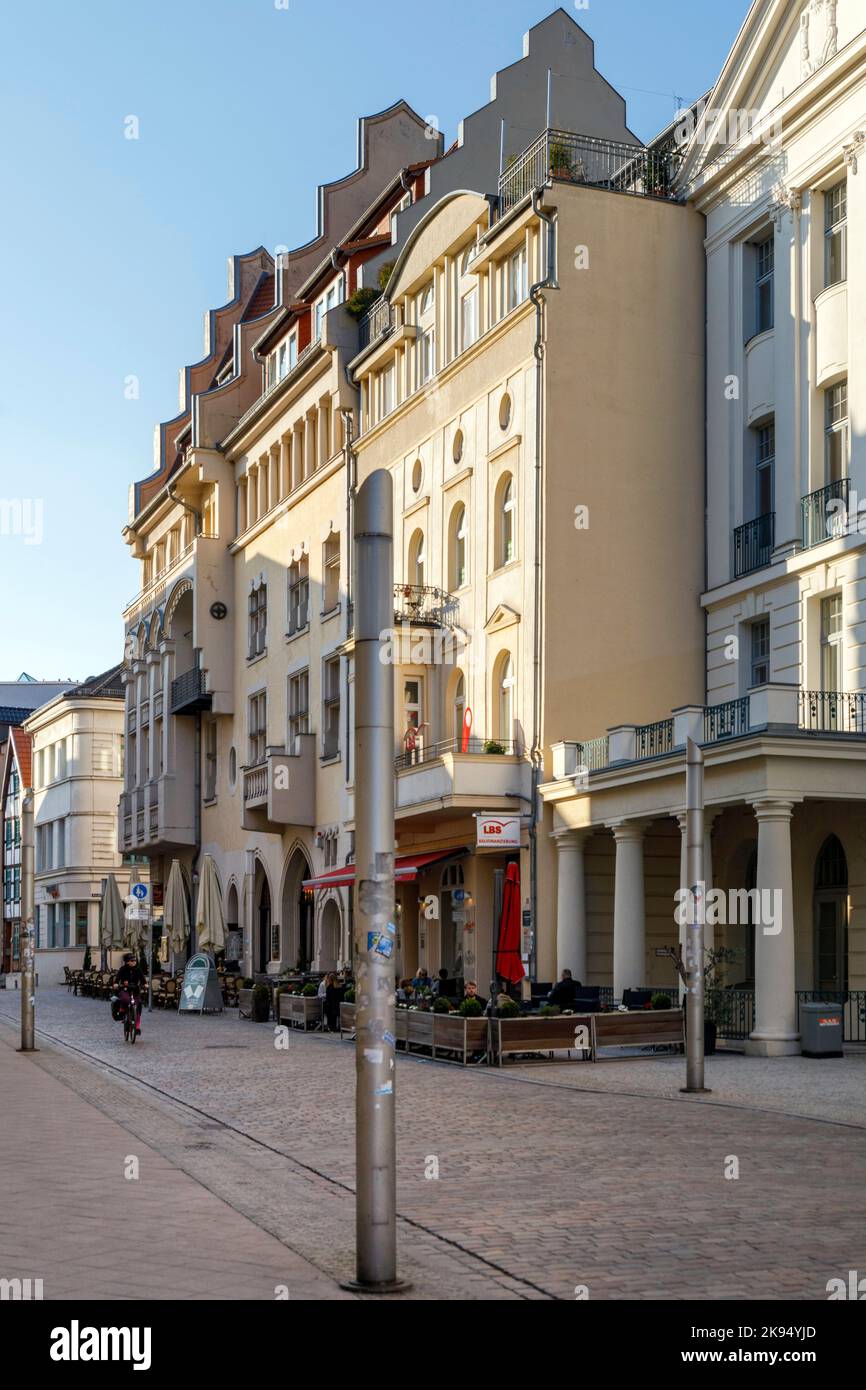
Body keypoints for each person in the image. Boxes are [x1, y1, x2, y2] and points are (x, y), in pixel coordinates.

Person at [115, 951, 145, 1034]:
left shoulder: (138, 969)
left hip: (135, 989)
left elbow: (142, 979)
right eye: (132, 960)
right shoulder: (123, 969)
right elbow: (117, 979)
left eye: (135, 960)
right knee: (125, 999)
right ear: (127, 962)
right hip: (125, 989)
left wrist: (145, 984)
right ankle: (122, 1010)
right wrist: (116, 984)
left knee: (138, 1003)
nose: (134, 962)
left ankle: (137, 1026)